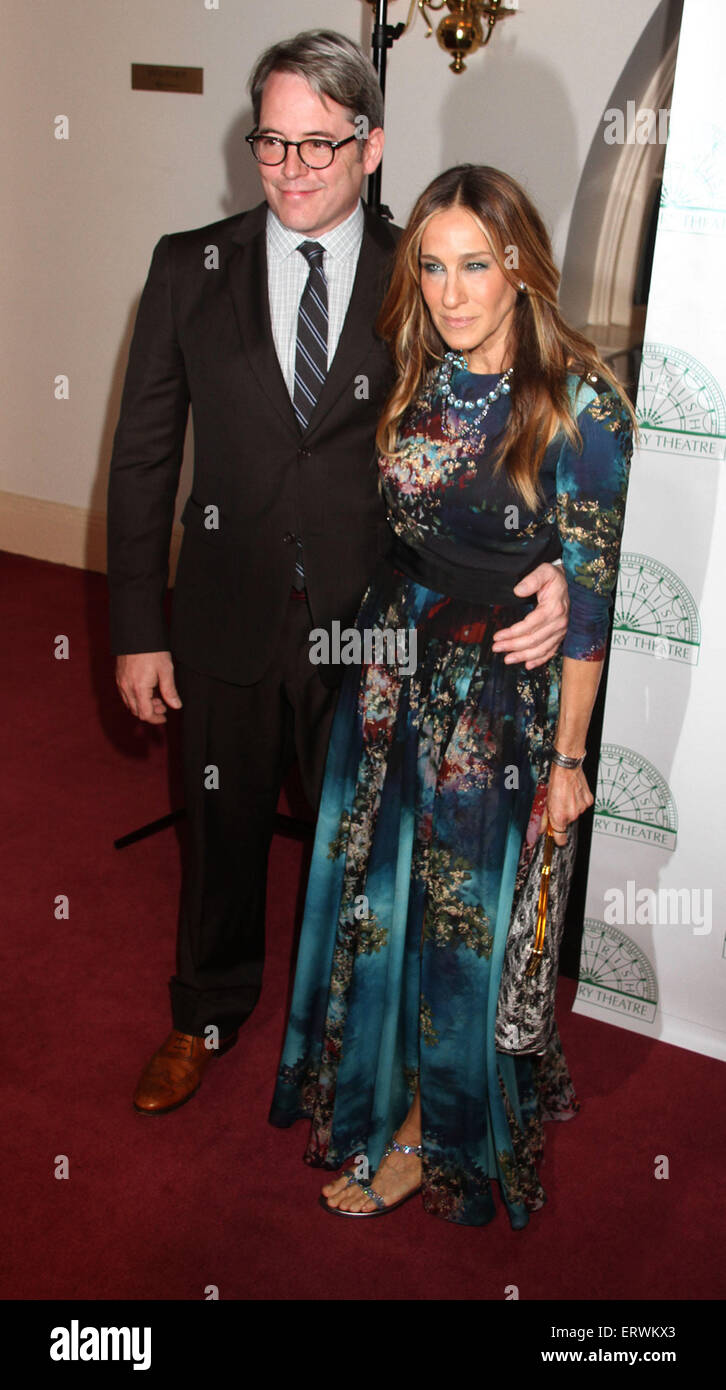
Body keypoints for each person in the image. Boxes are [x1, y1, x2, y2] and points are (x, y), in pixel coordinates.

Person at [107, 33, 569, 1116]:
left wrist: (554, 566)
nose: (293, 165)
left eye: (321, 142)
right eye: (273, 140)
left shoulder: (429, 269)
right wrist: (137, 622)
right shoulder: (190, 266)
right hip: (224, 608)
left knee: (361, 843)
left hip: (372, 617)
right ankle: (205, 1009)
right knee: (218, 826)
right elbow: (143, 458)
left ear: (371, 148)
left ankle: (350, 1042)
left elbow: (520, 410)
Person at [269, 164, 635, 1228]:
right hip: (391, 667)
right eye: (432, 267)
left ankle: (438, 1135)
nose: (451, 290)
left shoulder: (580, 401)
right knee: (377, 898)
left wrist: (569, 763)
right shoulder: (418, 366)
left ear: (519, 265)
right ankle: (373, 1095)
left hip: (494, 705)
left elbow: (598, 600)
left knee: (460, 927)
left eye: (476, 265)